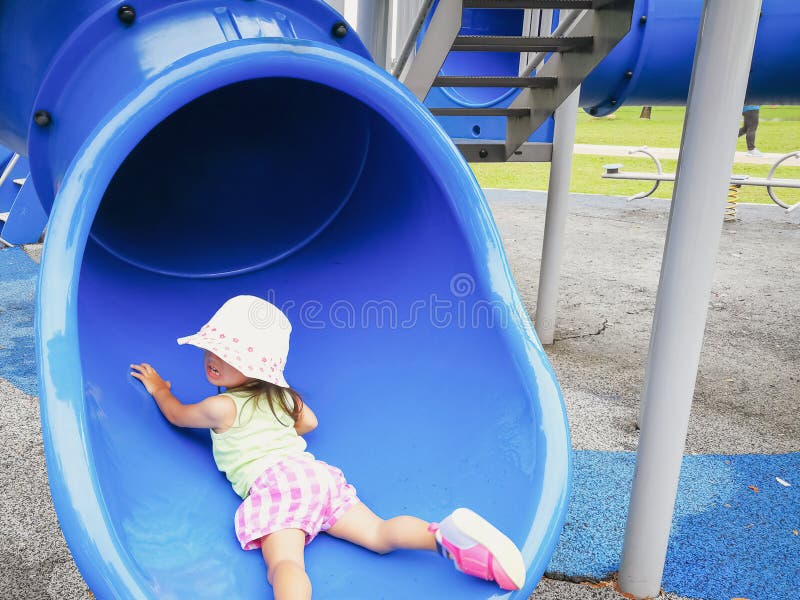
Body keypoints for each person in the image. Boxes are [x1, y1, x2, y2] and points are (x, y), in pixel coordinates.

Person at [131, 295, 525, 599]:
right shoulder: (285, 397)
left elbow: (178, 416)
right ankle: (442, 537)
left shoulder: (219, 407)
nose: (213, 360)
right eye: (211, 350)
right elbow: (310, 424)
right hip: (315, 476)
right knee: (379, 534)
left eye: (229, 356)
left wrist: (161, 389)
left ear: (254, 367)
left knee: (284, 564)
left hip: (277, 487)